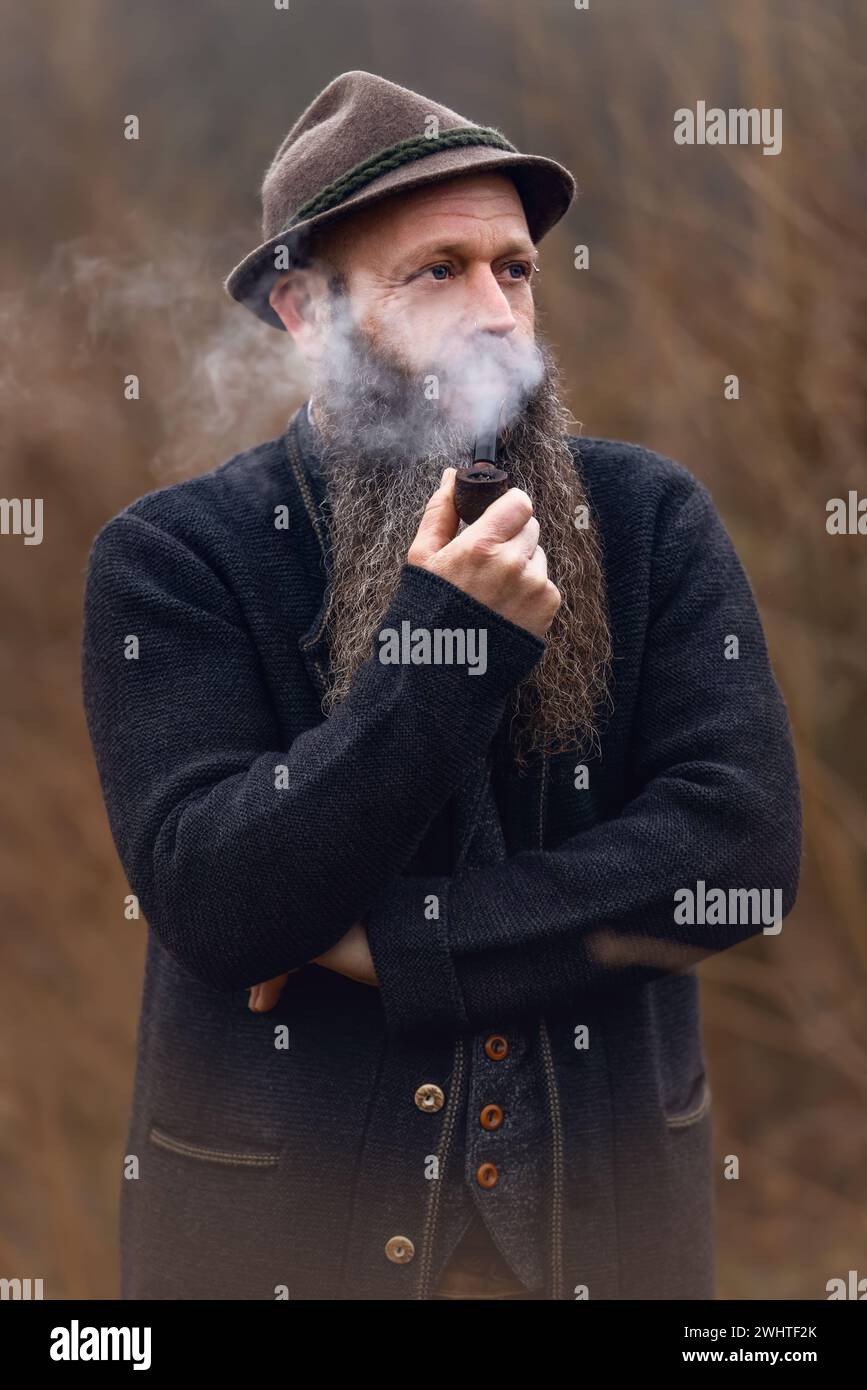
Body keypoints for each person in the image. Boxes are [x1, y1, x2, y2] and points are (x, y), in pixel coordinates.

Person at [81, 70, 801, 1301]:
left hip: (610, 1247)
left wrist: (402, 947)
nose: (498, 311)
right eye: (439, 271)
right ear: (306, 310)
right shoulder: (174, 559)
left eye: (513, 268)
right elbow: (213, 898)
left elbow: (736, 852)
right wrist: (441, 649)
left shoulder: (649, 520)